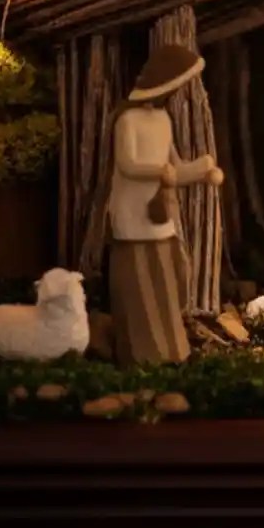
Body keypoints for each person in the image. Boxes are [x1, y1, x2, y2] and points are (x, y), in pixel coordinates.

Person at [108, 44, 224, 365]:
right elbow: (128, 164)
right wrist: (160, 172)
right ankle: (143, 354)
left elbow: (174, 166)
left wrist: (201, 170)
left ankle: (171, 349)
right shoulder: (127, 120)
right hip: (134, 214)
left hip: (161, 214)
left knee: (168, 277)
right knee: (140, 282)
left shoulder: (163, 119)